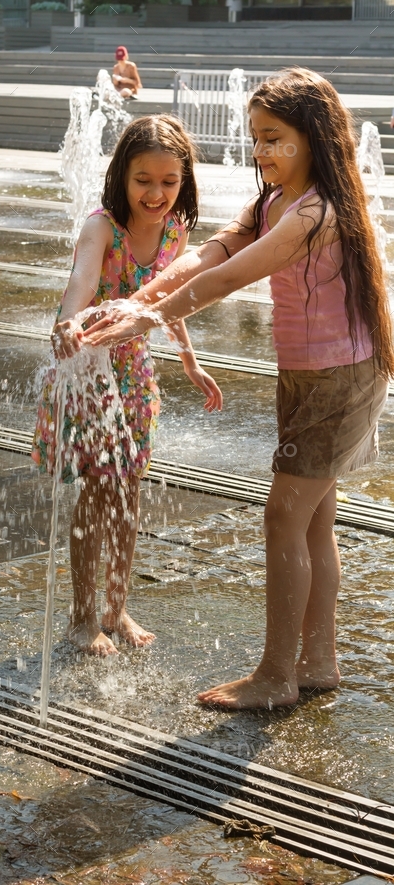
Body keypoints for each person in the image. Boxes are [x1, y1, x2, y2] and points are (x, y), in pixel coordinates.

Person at [84, 68, 394, 703]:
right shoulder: (276, 199)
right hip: (312, 373)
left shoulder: (317, 211)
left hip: (338, 379)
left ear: (314, 137)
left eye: (274, 138)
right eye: (256, 138)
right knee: (312, 522)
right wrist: (136, 302)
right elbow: (212, 255)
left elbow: (232, 279)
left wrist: (150, 318)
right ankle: (317, 664)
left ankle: (276, 676)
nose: (262, 152)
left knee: (284, 518)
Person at [32, 115, 223, 657]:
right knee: (95, 494)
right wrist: (69, 322)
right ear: (122, 175)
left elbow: (167, 301)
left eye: (169, 181)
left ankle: (116, 607)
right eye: (144, 180)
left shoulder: (175, 231)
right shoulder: (101, 227)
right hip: (90, 374)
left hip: (134, 376)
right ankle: (82, 616)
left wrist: (190, 362)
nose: (157, 193)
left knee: (129, 491)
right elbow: (81, 285)